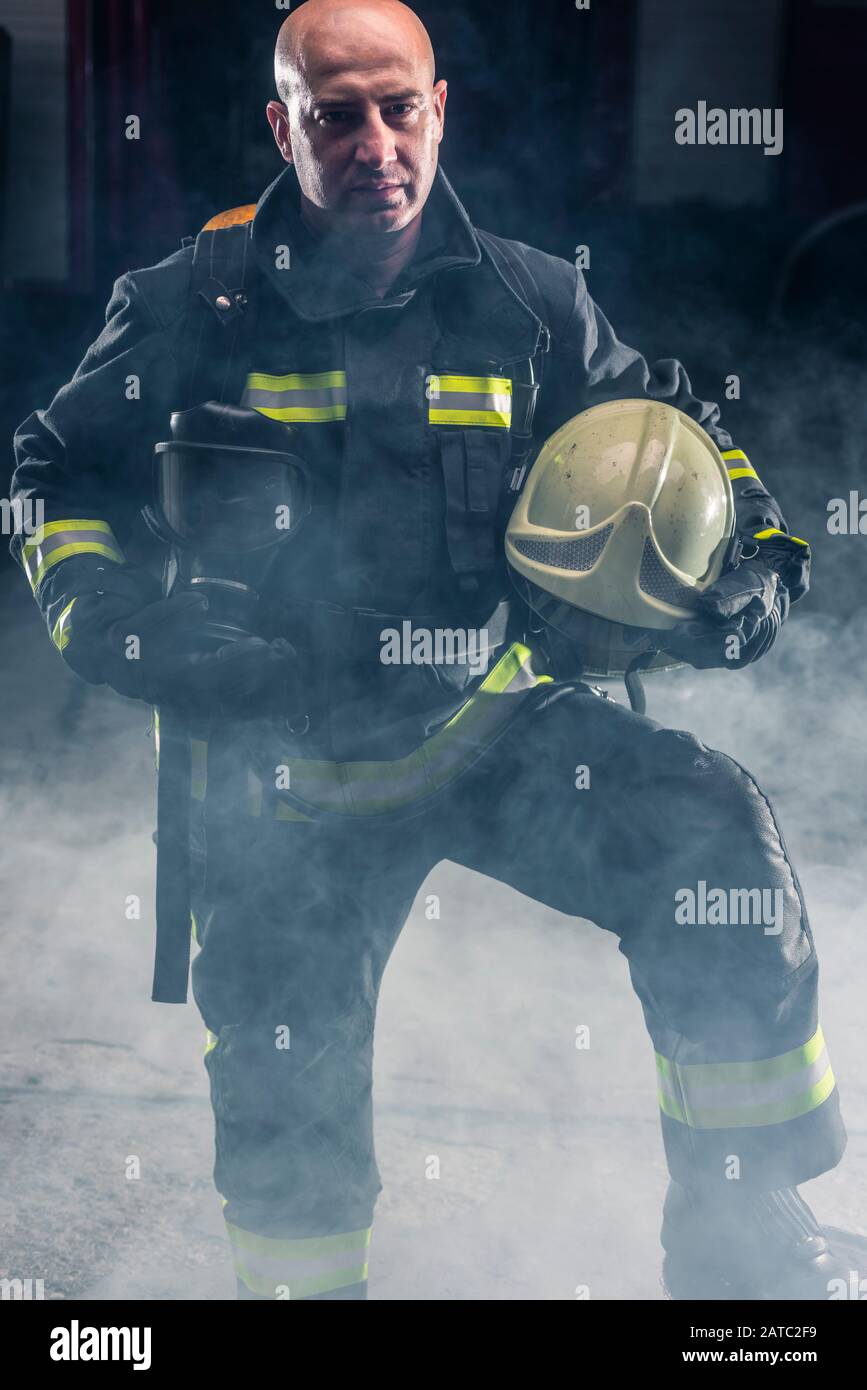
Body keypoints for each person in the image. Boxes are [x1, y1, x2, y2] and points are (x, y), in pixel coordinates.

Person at [9, 0, 859, 1300]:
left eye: (399, 107)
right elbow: (49, 478)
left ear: (440, 111)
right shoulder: (191, 305)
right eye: (335, 112)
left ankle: (745, 1251)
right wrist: (123, 622)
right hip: (280, 773)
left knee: (713, 842)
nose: (374, 141)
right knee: (288, 1106)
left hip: (494, 726)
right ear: (279, 124)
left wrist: (752, 556)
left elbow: (672, 430)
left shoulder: (530, 299)